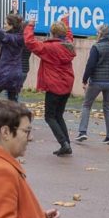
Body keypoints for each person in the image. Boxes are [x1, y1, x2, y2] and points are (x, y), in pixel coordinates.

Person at [21, 14, 75, 157]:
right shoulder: (69, 44)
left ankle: (64, 143)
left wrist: (30, 25)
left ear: (53, 33)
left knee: (50, 116)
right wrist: (65, 20)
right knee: (59, 115)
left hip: (54, 85)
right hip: (67, 84)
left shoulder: (49, 47)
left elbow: (29, 42)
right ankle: (66, 144)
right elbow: (69, 35)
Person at [75, 24, 109, 144]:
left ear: (100, 33)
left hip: (97, 81)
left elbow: (90, 64)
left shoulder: (96, 47)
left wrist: (84, 79)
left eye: (97, 32)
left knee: (87, 105)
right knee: (107, 107)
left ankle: (82, 132)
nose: (96, 34)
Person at [0, 10, 26, 103]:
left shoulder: (14, 38)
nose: (4, 26)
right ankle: (13, 112)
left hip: (5, 73)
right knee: (13, 101)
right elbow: (1, 43)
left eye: (5, 24)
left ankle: (0, 110)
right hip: (15, 75)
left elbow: (1, 35)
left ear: (12, 26)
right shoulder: (17, 37)